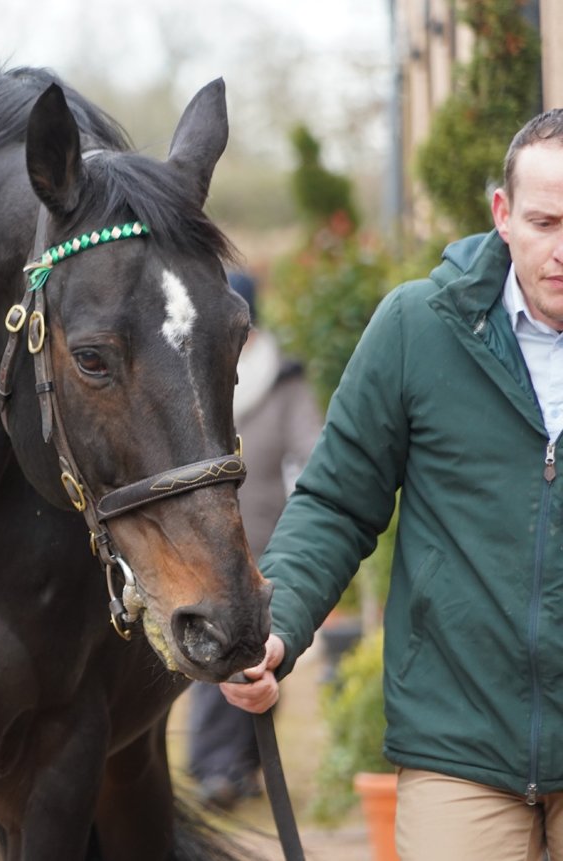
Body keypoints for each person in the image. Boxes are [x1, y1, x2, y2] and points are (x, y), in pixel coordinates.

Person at [222, 109, 563, 860]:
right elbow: (337, 502)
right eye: (545, 222)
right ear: (503, 215)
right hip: (459, 744)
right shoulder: (418, 328)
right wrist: (276, 624)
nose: (561, 249)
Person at [186, 271, 323, 811]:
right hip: (204, 545)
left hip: (267, 543)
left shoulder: (284, 383)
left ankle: (239, 766)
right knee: (218, 650)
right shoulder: (191, 377)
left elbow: (312, 450)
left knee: (260, 655)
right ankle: (216, 765)